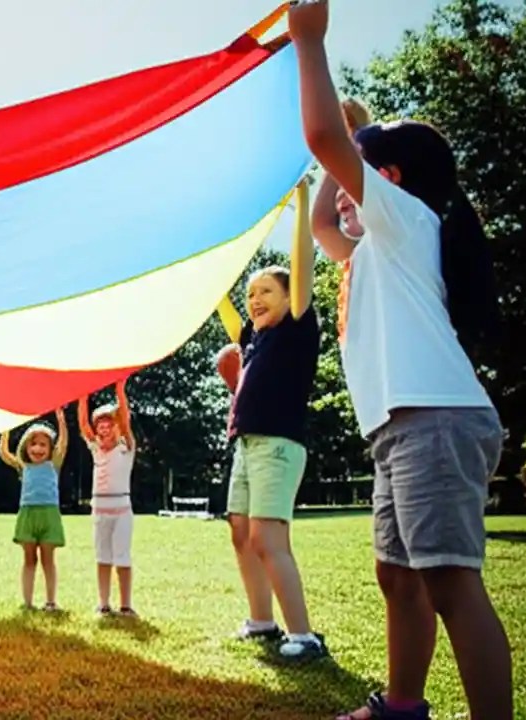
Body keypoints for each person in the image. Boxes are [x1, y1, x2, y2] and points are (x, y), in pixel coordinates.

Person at [291, 2, 509, 717]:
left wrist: (310, 42)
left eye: (358, 166)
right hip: (401, 430)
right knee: (397, 575)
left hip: (435, 422)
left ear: (385, 177)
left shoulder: (408, 220)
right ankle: (404, 706)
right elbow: (325, 222)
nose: (345, 186)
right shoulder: (372, 248)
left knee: (450, 582)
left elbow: (323, 138)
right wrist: (349, 144)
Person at [215, 179, 326, 661]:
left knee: (265, 536)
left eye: (266, 291)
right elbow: (220, 302)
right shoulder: (254, 339)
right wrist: (216, 267)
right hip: (247, 444)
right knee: (239, 529)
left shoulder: (298, 327)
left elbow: (303, 265)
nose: (255, 299)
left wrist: (300, 204)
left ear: (289, 297)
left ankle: (303, 635)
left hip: (278, 445)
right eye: (251, 293)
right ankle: (262, 621)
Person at [77, 380, 137, 617]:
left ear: (118, 428)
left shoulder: (126, 447)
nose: (103, 429)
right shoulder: (95, 449)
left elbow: (125, 416)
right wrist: (82, 394)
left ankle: (125, 604)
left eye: (109, 424)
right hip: (100, 510)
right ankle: (103, 603)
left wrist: (120, 389)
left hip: (122, 510)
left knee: (122, 557)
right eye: (100, 425)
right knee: (102, 557)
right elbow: (83, 423)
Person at [0, 408, 68, 611]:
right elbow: (4, 453)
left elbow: (63, 443)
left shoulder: (53, 464)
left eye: (43, 445)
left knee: (48, 561)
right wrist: (5, 430)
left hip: (49, 515)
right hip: (28, 515)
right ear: (26, 447)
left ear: (50, 448)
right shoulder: (23, 466)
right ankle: (28, 602)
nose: (37, 448)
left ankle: (50, 602)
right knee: (29, 560)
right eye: (33, 444)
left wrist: (61, 420)